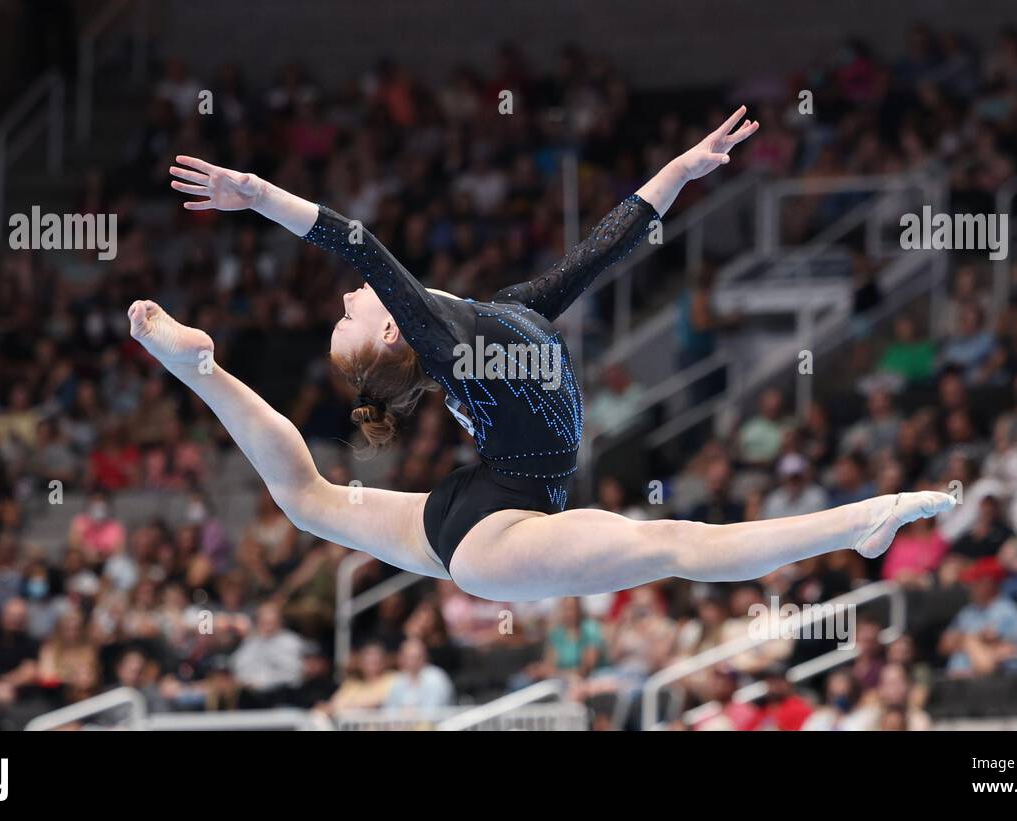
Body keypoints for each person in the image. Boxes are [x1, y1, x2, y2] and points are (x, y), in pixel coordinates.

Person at [130, 105, 954, 603]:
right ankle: (860, 522)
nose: (345, 301)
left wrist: (681, 170)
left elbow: (603, 250)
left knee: (309, 499)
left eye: (342, 310)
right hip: (498, 529)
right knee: (675, 545)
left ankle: (201, 371)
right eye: (348, 317)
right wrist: (257, 193)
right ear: (392, 334)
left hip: (485, 513)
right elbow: (358, 245)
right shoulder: (445, 343)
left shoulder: (503, 315)